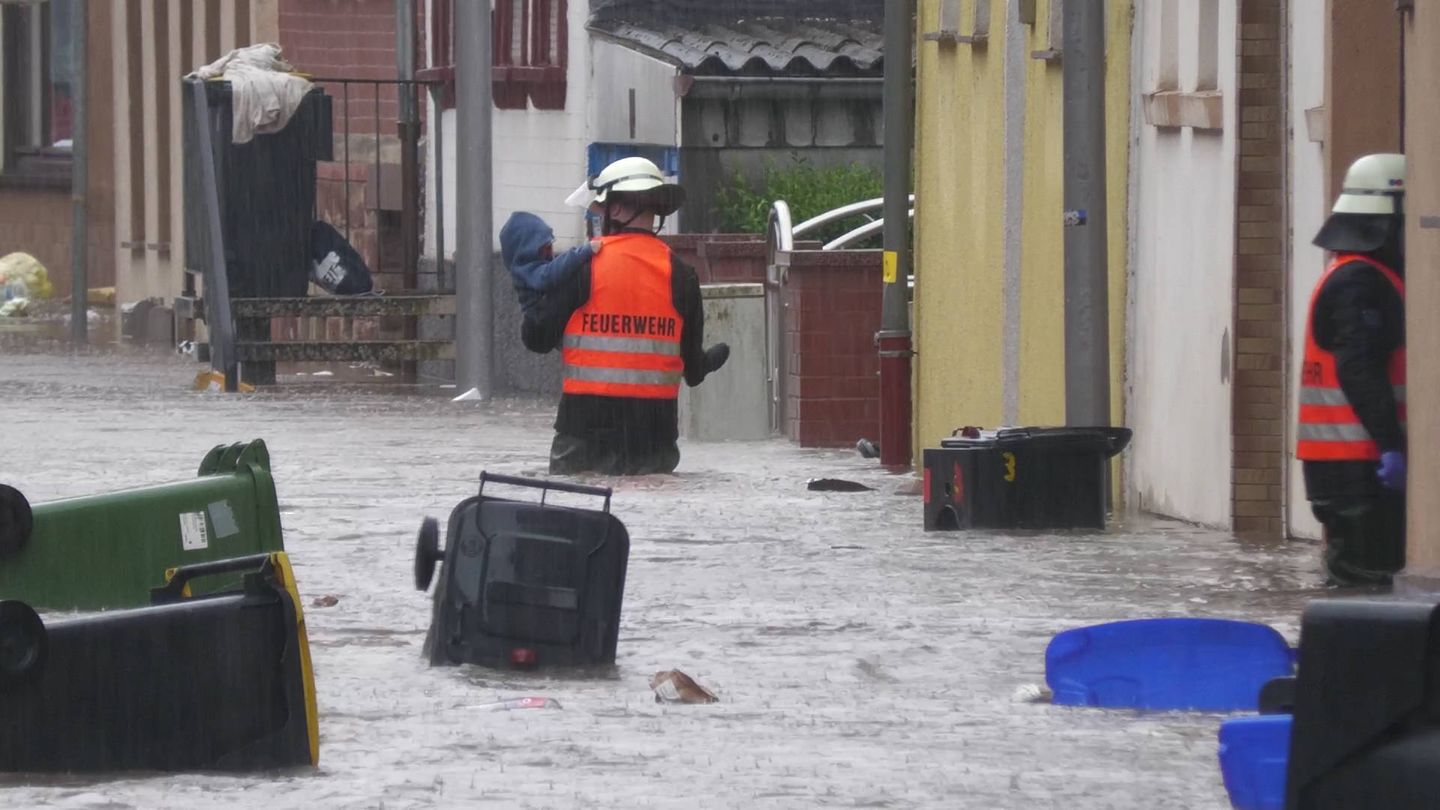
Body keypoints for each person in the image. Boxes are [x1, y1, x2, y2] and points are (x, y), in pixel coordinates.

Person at [521, 157, 729, 475]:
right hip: (654, 441)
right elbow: (693, 370)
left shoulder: (583, 265)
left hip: (583, 435)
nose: (598, 218)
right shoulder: (681, 276)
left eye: (601, 210)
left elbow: (536, 338)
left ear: (616, 209)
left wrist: (529, 290)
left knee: (578, 502)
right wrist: (709, 360)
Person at [1298, 153, 1408, 586]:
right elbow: (1359, 367)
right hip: (1360, 468)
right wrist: (1390, 446)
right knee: (1367, 588)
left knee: (1362, 587)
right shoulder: (1359, 281)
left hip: (1350, 466)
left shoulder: (1353, 274)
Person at [499, 211, 601, 316]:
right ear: (527, 249)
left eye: (550, 245)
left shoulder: (539, 265)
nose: (550, 250)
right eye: (546, 246)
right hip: (537, 320)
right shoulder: (525, 272)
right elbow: (549, 274)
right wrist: (583, 252)